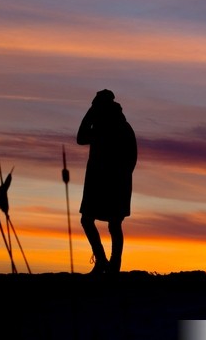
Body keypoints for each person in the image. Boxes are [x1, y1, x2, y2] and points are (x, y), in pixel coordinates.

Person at [77, 89, 137, 274]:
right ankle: (102, 260)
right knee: (88, 220)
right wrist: (91, 113)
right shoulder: (100, 127)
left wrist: (122, 178)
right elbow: (81, 138)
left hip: (115, 182)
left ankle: (113, 264)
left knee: (113, 223)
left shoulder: (120, 127)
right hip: (98, 181)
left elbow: (131, 157)